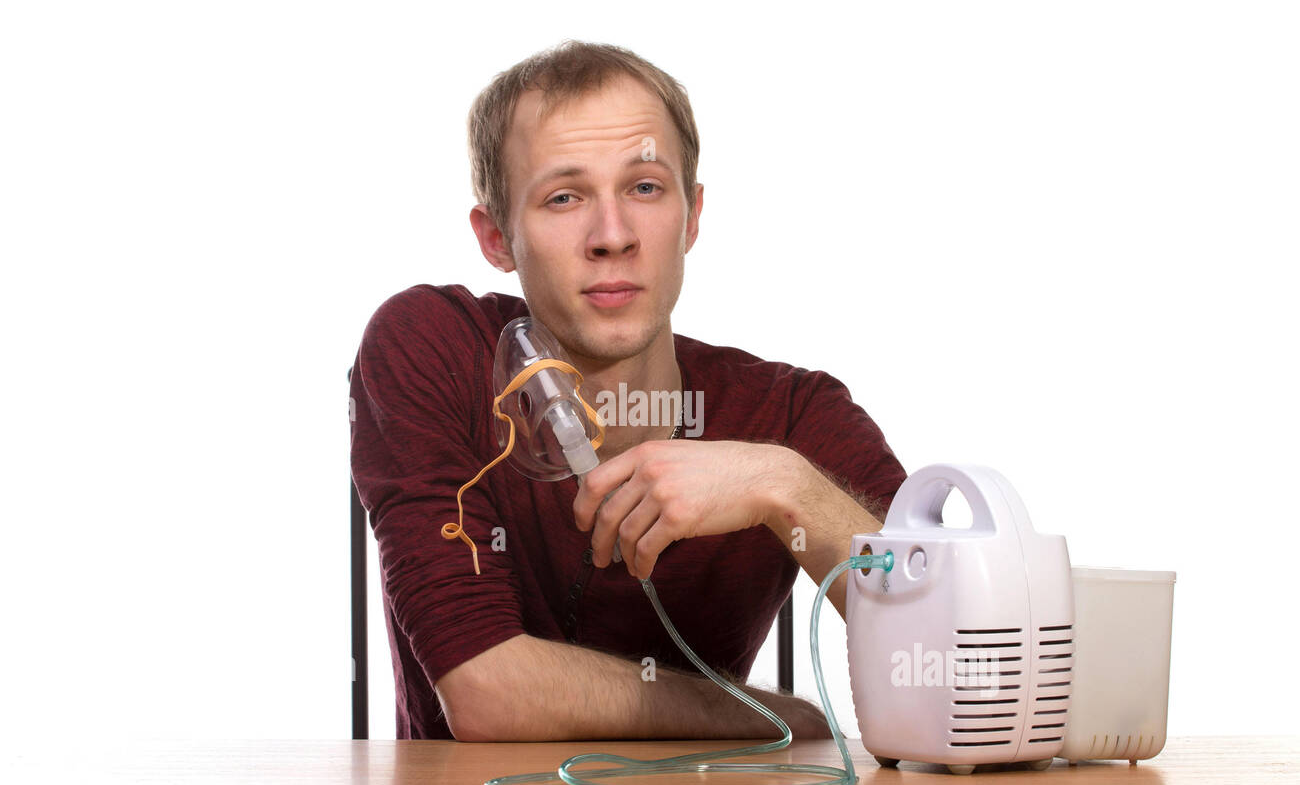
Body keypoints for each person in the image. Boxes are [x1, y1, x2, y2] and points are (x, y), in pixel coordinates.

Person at [349, 40, 907, 742]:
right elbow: (489, 693)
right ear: (496, 237)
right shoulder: (434, 346)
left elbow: (956, 651)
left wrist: (790, 486)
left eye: (644, 188)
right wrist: (768, 717)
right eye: (563, 197)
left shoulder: (791, 418)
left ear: (692, 216)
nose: (612, 236)